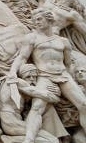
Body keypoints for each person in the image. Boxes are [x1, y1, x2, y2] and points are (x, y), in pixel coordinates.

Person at [8, 8, 86, 143]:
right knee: (37, 107)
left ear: (49, 19)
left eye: (39, 19)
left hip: (63, 76)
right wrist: (12, 72)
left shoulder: (63, 41)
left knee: (84, 104)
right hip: (45, 76)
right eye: (34, 20)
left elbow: (68, 64)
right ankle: (29, 140)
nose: (36, 22)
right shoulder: (32, 38)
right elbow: (22, 58)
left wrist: (72, 81)